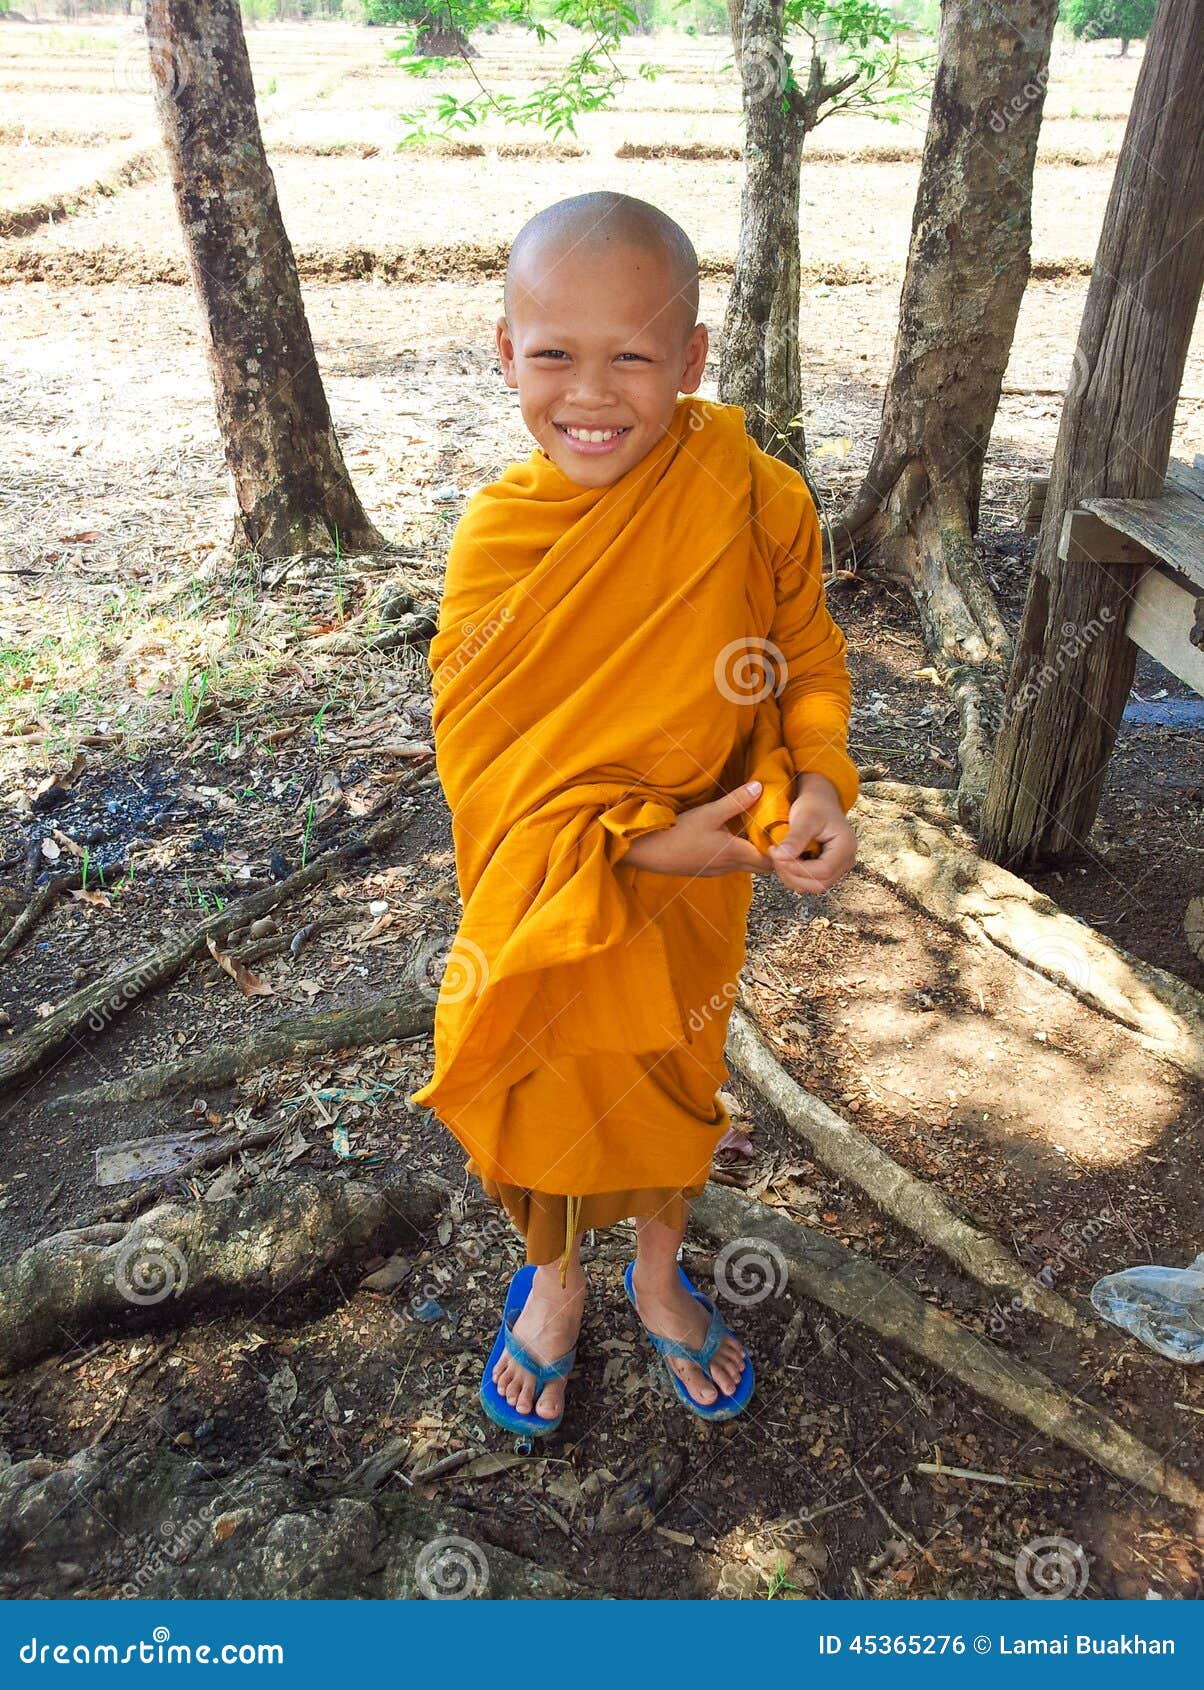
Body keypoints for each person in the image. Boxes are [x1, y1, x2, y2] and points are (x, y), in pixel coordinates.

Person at [408, 190, 858, 1435]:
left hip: (703, 886)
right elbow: (482, 770)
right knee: (554, 1081)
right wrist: (639, 847)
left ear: (695, 360)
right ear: (504, 351)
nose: (589, 393)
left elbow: (808, 661)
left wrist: (820, 778)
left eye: (633, 357)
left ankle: (657, 1276)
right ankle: (554, 1284)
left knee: (669, 1078)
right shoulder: (501, 543)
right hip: (554, 898)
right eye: (552, 353)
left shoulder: (753, 494)